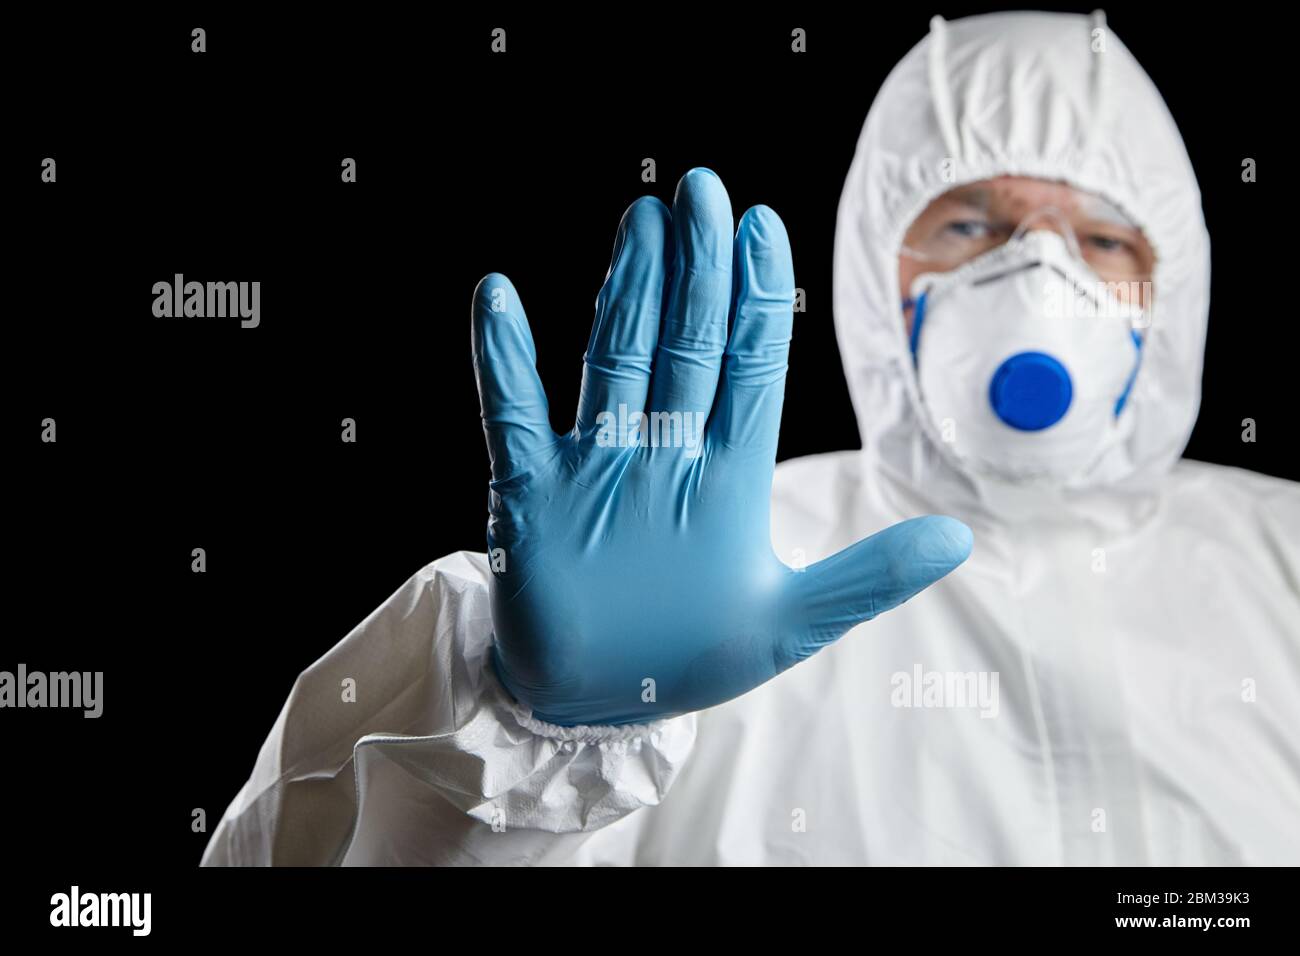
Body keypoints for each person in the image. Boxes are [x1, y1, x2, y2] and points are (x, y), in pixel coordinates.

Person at [202, 10, 1299, 866]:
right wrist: (534, 725)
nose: (1033, 276)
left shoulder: (1283, 556)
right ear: (877, 267)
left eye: (1100, 238)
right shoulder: (704, 560)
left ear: (1173, 285)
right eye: (970, 224)